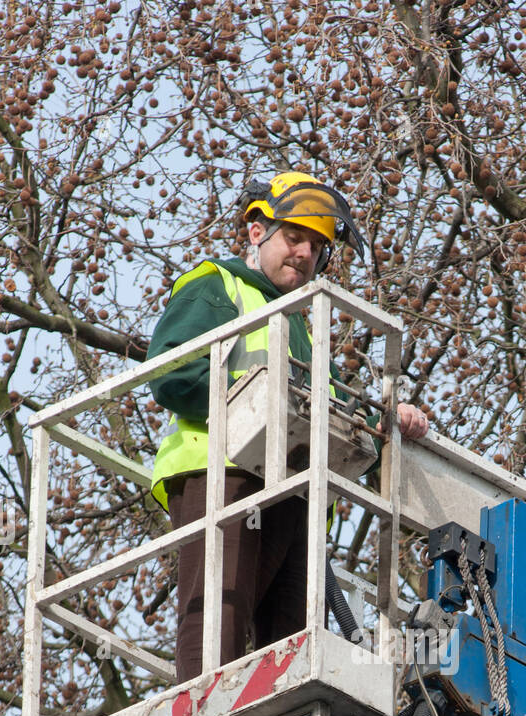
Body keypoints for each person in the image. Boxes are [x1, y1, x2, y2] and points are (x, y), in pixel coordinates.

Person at [147, 170, 428, 683]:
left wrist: (389, 420)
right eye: (293, 237)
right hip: (223, 473)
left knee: (295, 635)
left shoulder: (306, 326)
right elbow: (172, 372)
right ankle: (205, 714)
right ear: (257, 232)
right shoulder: (219, 285)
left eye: (316, 246)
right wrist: (256, 400)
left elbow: (344, 409)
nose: (304, 253)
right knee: (219, 611)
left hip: (295, 493)